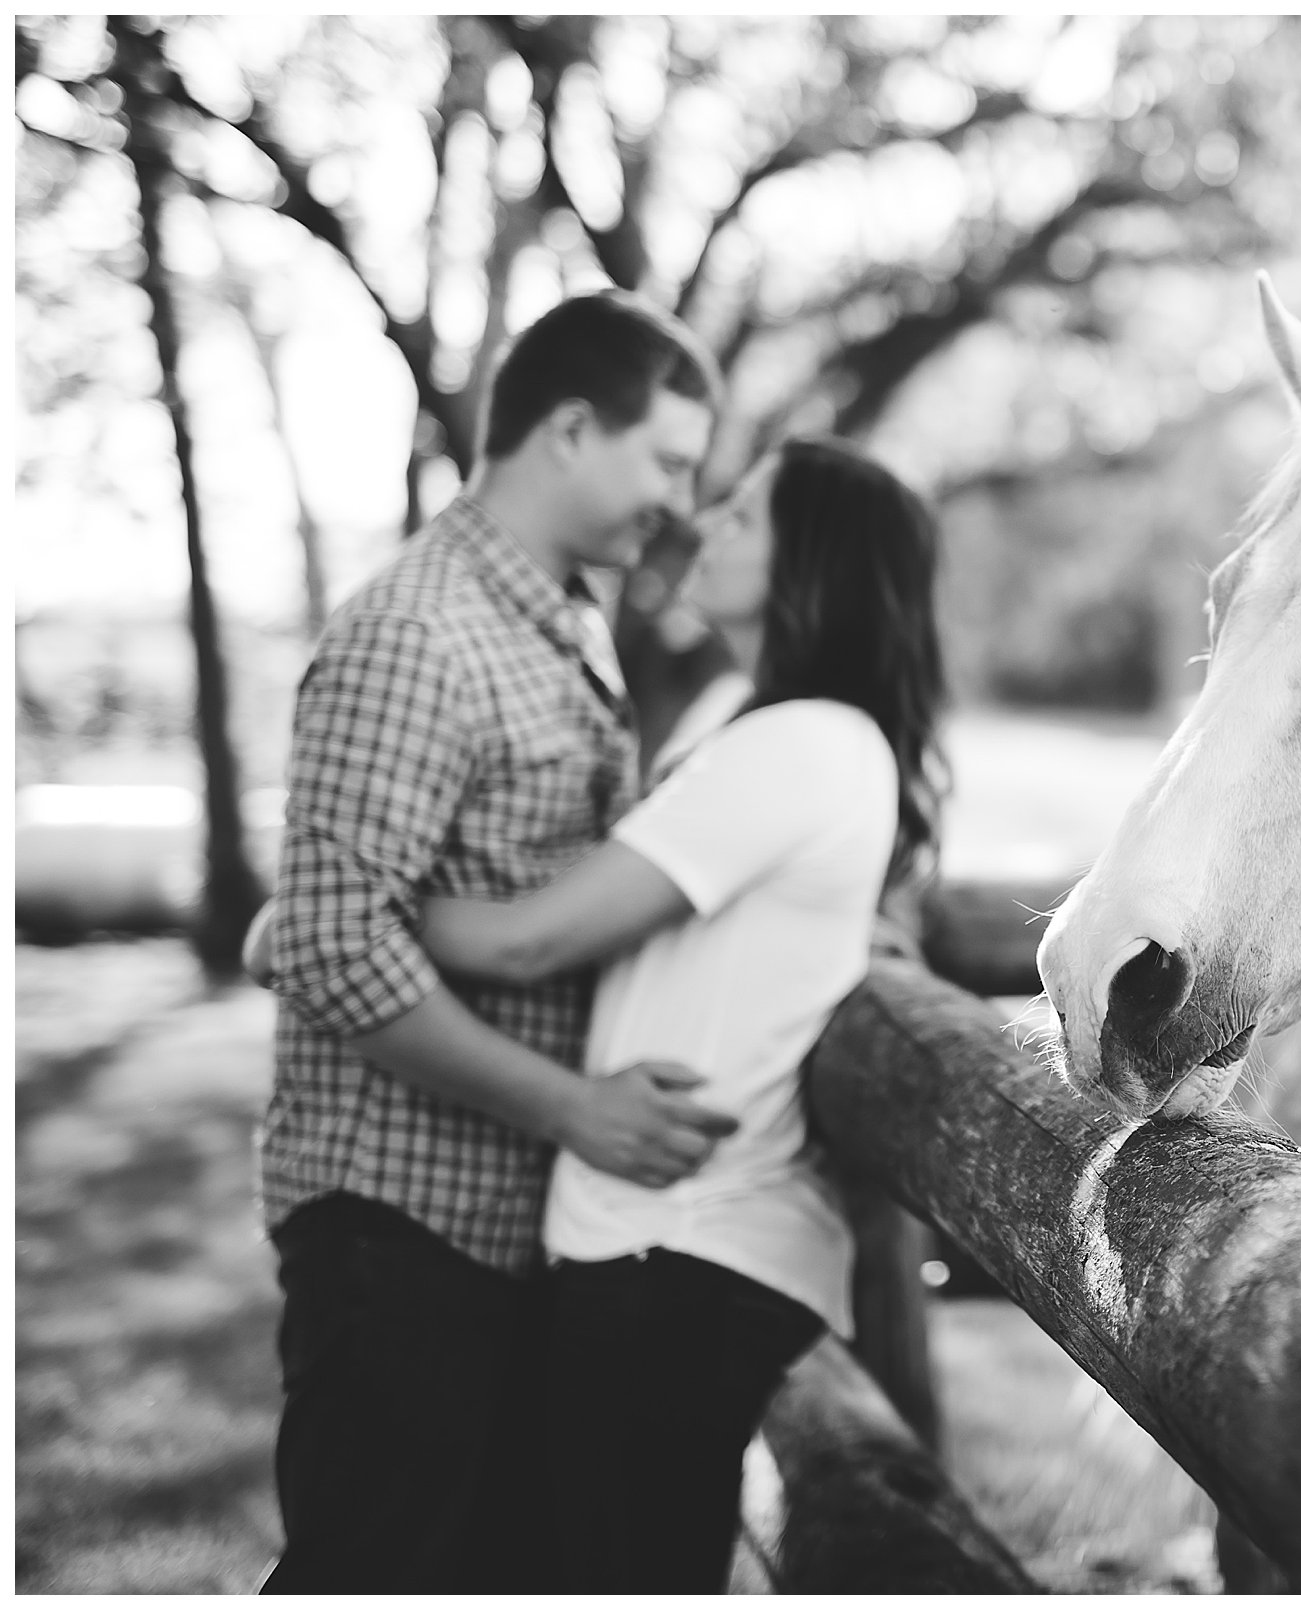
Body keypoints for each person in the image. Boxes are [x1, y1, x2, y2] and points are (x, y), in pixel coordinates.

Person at [251, 290, 739, 1592]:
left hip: (496, 1224)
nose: (680, 503)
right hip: (395, 1226)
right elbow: (331, 945)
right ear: (572, 429)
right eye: (668, 462)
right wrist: (574, 1105)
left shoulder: (564, 614)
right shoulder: (421, 630)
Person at [412, 436, 950, 1591]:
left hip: (681, 1252)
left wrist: (342, 907)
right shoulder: (763, 725)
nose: (706, 524)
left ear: (812, 565)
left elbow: (534, 935)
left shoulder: (801, 742)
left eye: (746, 516)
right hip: (658, 1245)